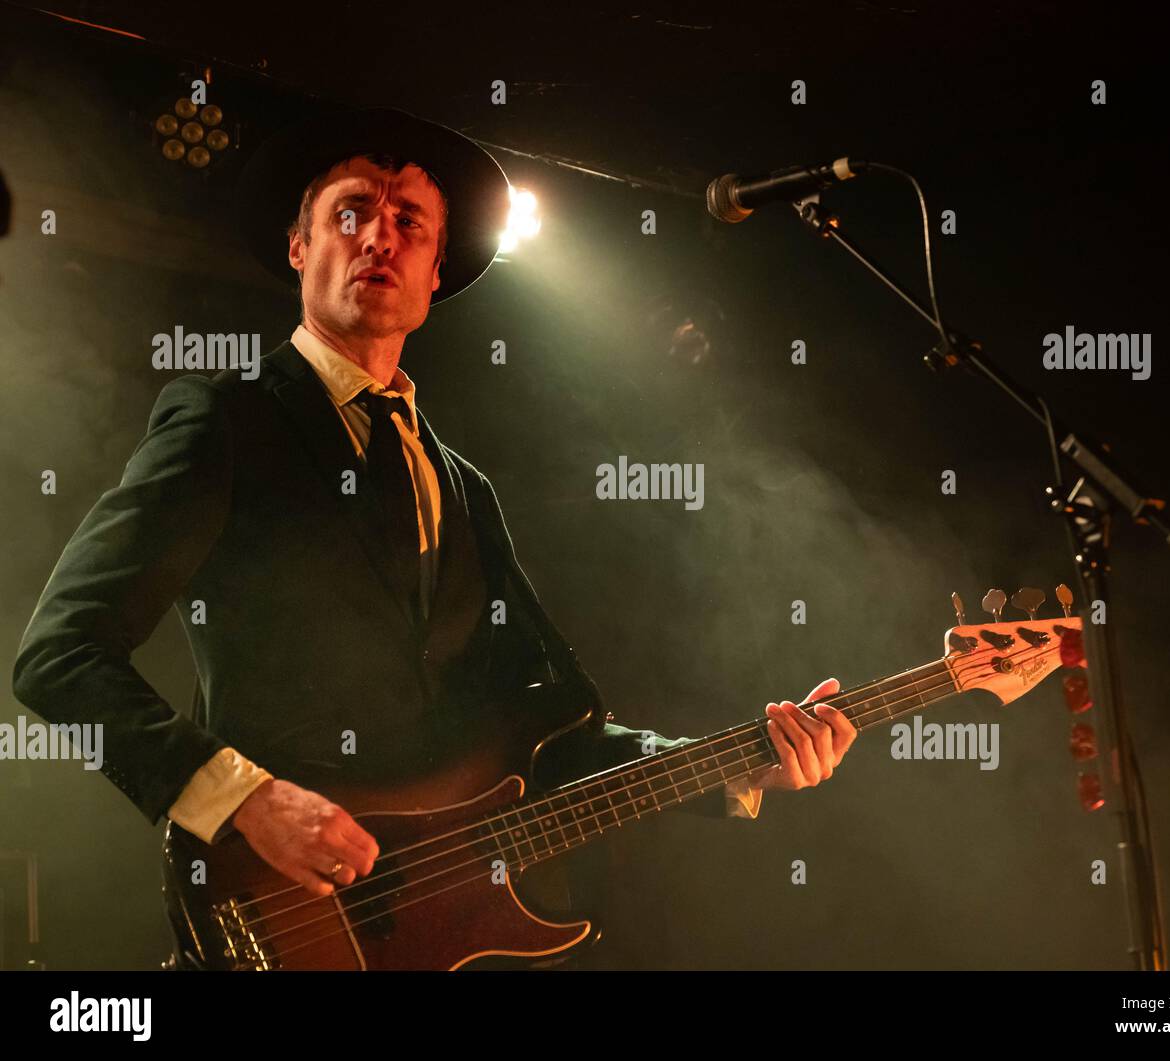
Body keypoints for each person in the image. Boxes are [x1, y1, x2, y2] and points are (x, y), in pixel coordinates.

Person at [11, 107, 856, 965]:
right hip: (273, 912)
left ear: (435, 269)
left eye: (409, 220)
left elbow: (554, 729)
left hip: (428, 935)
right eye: (351, 212)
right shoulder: (225, 422)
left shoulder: (463, 487)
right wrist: (246, 802)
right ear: (300, 246)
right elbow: (58, 655)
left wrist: (741, 766)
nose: (381, 234)